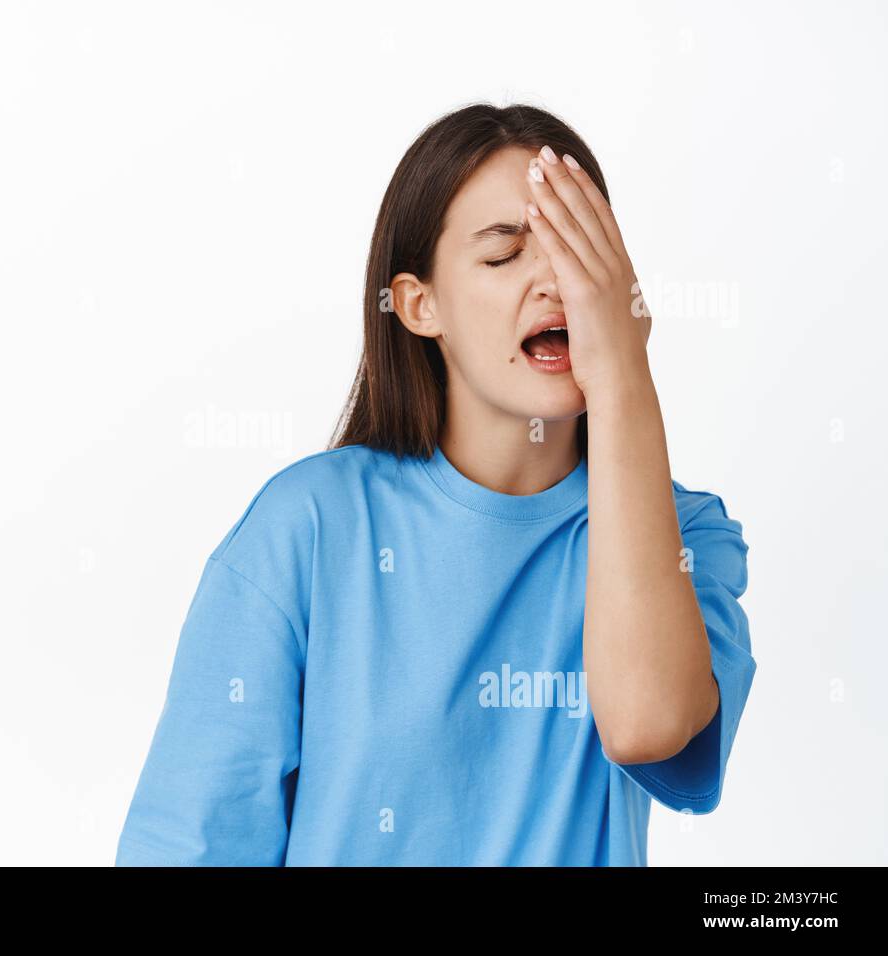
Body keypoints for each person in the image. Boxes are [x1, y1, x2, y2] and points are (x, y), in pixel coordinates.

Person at [114, 103, 756, 866]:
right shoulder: (307, 528)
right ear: (420, 306)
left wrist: (622, 374)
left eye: (579, 252)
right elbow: (192, 841)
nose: (557, 281)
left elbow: (646, 724)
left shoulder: (684, 536)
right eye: (504, 255)